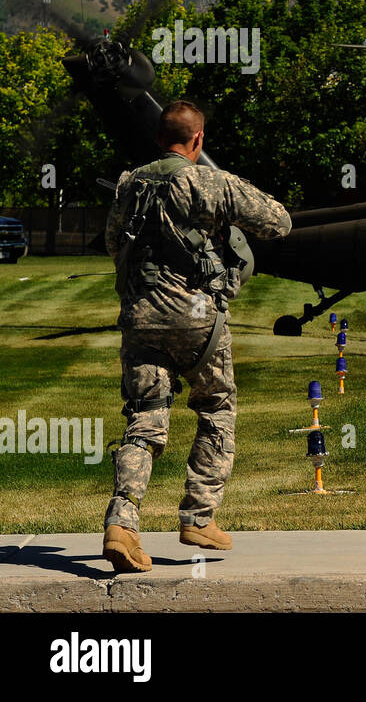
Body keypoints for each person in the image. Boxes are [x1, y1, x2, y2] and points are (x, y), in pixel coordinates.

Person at [101, 101, 291, 573]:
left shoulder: (129, 183)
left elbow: (112, 243)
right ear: (198, 140)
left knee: (145, 418)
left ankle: (121, 523)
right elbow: (279, 222)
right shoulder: (212, 181)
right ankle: (198, 516)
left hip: (141, 317)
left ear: (158, 138)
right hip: (198, 320)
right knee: (216, 406)